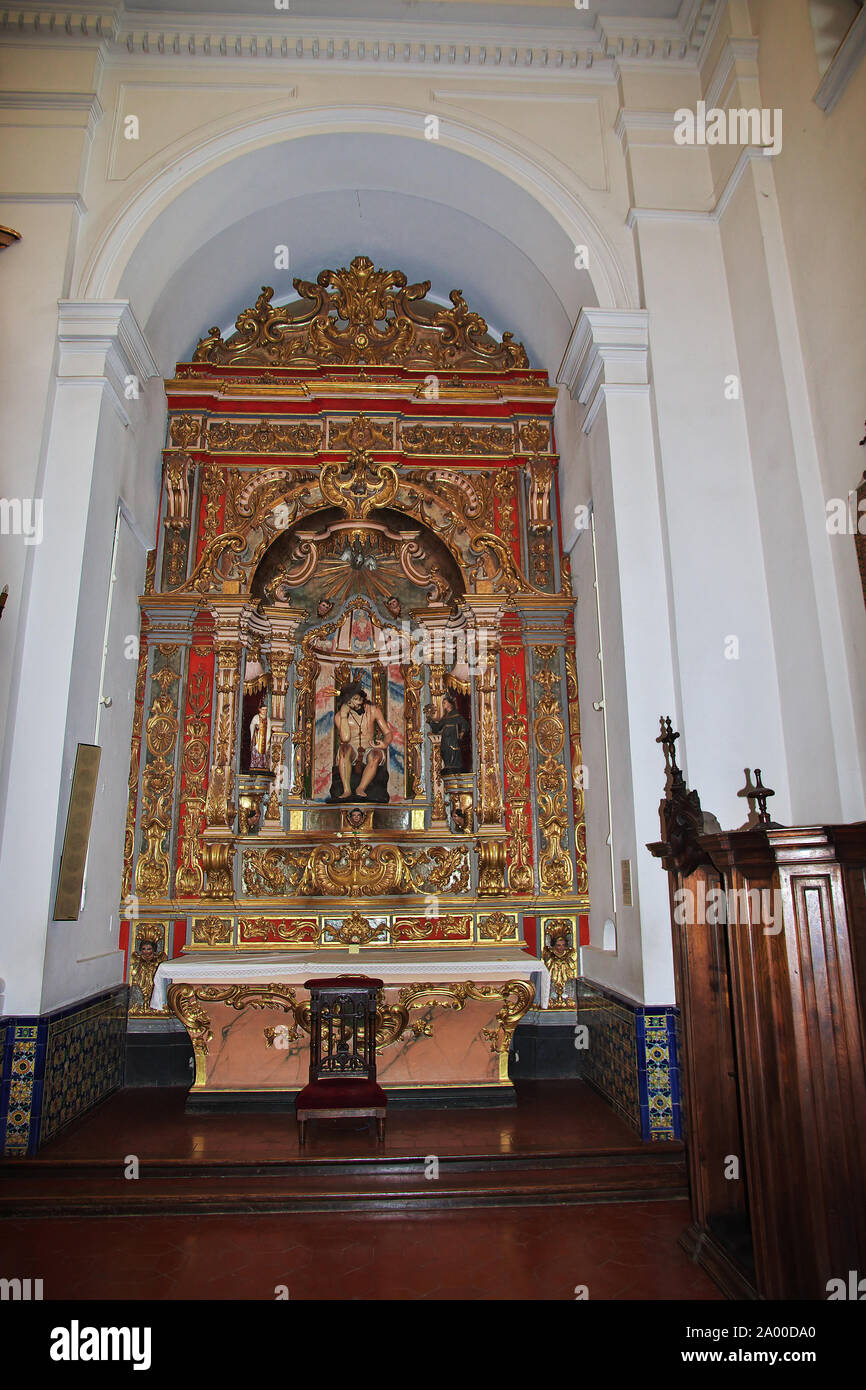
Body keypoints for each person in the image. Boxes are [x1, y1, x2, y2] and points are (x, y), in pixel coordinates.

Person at [333, 683, 393, 800]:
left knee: (375, 756)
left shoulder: (373, 710)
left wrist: (384, 743)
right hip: (352, 750)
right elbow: (345, 738)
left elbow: (388, 733)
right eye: (353, 701)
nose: (358, 703)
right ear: (347, 703)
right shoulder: (339, 716)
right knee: (344, 751)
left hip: (370, 748)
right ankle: (347, 790)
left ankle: (361, 788)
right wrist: (344, 715)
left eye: (358, 699)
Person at [425, 693, 470, 772]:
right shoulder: (445, 717)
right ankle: (448, 766)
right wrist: (430, 720)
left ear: (450, 704)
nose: (443, 704)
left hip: (453, 740)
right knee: (446, 755)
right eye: (442, 703)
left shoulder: (456, 715)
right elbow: (437, 728)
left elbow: (465, 724)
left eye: (444, 703)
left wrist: (462, 733)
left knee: (453, 755)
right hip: (445, 741)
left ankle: (454, 767)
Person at [249, 700, 270, 770]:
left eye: (265, 710)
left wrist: (268, 739)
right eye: (263, 709)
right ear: (259, 710)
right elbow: (252, 725)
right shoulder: (256, 717)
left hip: (264, 739)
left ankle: (262, 766)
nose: (264, 711)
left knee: (263, 754)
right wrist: (255, 727)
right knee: (256, 752)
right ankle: (255, 765)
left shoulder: (268, 719)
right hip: (257, 739)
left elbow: (269, 729)